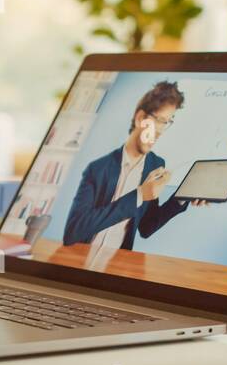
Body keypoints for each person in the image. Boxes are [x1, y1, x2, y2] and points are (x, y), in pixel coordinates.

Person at [62, 80, 204, 252]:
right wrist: (139, 195)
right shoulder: (98, 169)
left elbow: (146, 227)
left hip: (117, 265)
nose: (160, 131)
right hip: (80, 259)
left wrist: (183, 197)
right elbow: (73, 232)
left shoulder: (155, 164)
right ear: (140, 118)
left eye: (166, 122)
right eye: (158, 120)